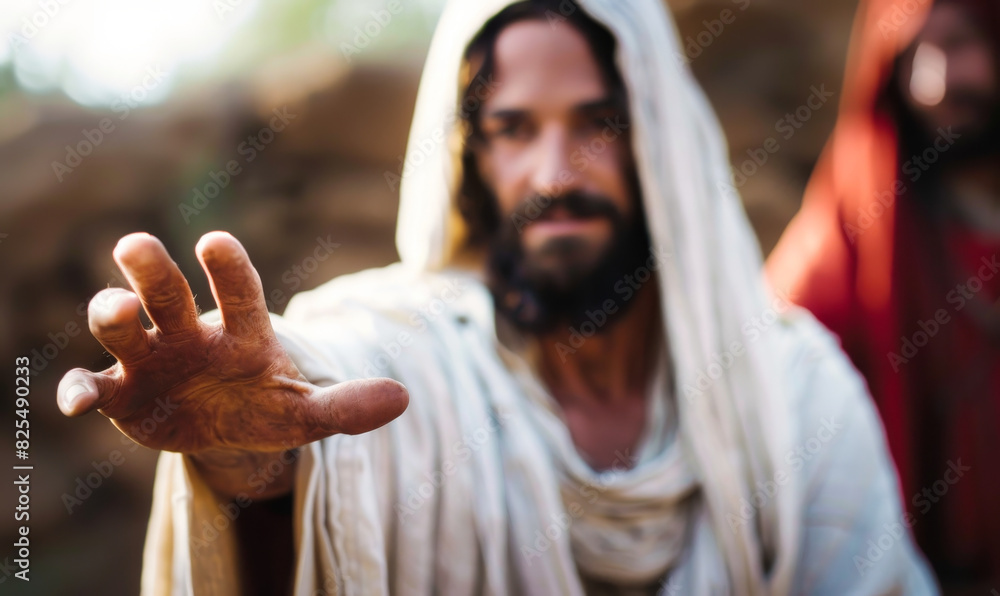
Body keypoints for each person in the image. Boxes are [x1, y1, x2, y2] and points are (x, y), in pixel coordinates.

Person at [58, 0, 936, 593]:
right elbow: (330, 374)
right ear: (470, 163)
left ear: (657, 147)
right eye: (513, 129)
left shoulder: (792, 389)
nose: (555, 174)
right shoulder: (412, 346)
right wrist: (252, 467)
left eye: (595, 124)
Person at [767, 0, 1000, 590]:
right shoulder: (855, 223)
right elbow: (773, 365)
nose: (936, 82)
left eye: (963, 43)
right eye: (917, 52)